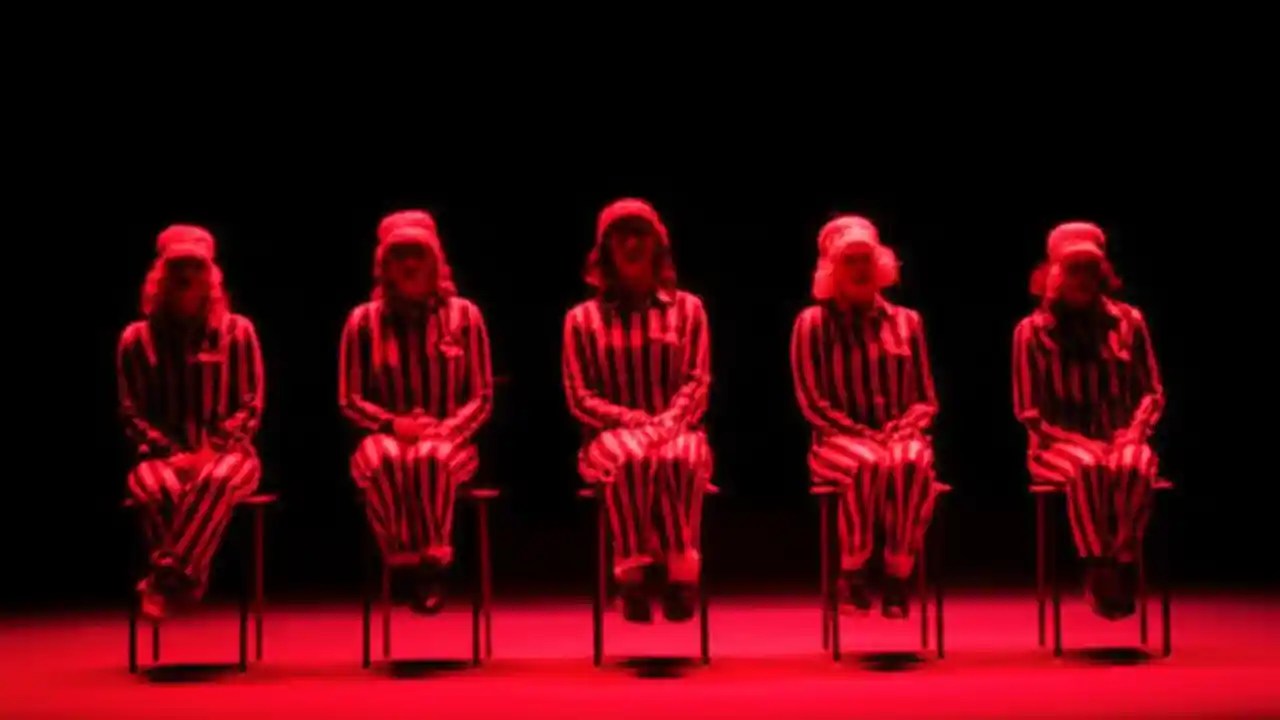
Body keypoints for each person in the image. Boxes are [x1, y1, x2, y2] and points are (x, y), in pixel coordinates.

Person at [562, 198, 712, 623]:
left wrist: (667, 422)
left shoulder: (689, 310)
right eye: (620, 235)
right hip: (608, 435)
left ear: (657, 244)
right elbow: (579, 395)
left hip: (676, 428)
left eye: (640, 234)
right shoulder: (581, 319)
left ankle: (681, 575)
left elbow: (697, 380)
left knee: (678, 457)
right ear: (604, 247)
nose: (631, 243)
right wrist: (632, 421)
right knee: (631, 457)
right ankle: (633, 577)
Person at [339, 210, 493, 614]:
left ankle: (431, 564)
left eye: (417, 254)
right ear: (384, 265)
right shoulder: (362, 322)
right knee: (384, 459)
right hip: (386, 435)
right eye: (399, 255)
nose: (409, 264)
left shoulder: (464, 316)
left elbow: (481, 396)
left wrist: (443, 431)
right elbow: (349, 397)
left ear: (435, 261)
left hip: (449, 439)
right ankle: (405, 560)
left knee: (429, 459)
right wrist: (393, 424)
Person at [789, 215, 942, 619]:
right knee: (868, 465)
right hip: (836, 440)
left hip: (898, 435)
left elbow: (926, 398)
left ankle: (897, 572)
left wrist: (904, 427)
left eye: (864, 260)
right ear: (831, 270)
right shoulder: (812, 325)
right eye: (849, 261)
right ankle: (852, 570)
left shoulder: (907, 322)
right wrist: (861, 434)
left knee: (912, 463)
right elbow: (811, 401)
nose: (859, 269)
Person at [1013, 221, 1164, 619]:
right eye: (1074, 268)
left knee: (1137, 464)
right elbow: (1029, 412)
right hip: (1056, 444)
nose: (1083, 278)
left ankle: (1123, 558)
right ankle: (1098, 566)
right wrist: (1080, 442)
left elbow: (1151, 390)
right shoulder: (1032, 332)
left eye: (1090, 269)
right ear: (1055, 274)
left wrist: (1133, 433)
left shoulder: (1128, 321)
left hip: (1119, 436)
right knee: (1089, 467)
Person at [117, 224, 265, 621]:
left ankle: (165, 575)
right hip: (161, 456)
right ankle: (189, 574)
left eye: (195, 267)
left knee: (217, 480)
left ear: (210, 278)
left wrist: (208, 452)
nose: (186, 276)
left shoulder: (237, 332)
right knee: (152, 485)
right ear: (160, 277)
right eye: (177, 267)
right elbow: (131, 412)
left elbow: (250, 405)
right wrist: (171, 454)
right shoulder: (136, 339)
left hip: (227, 454)